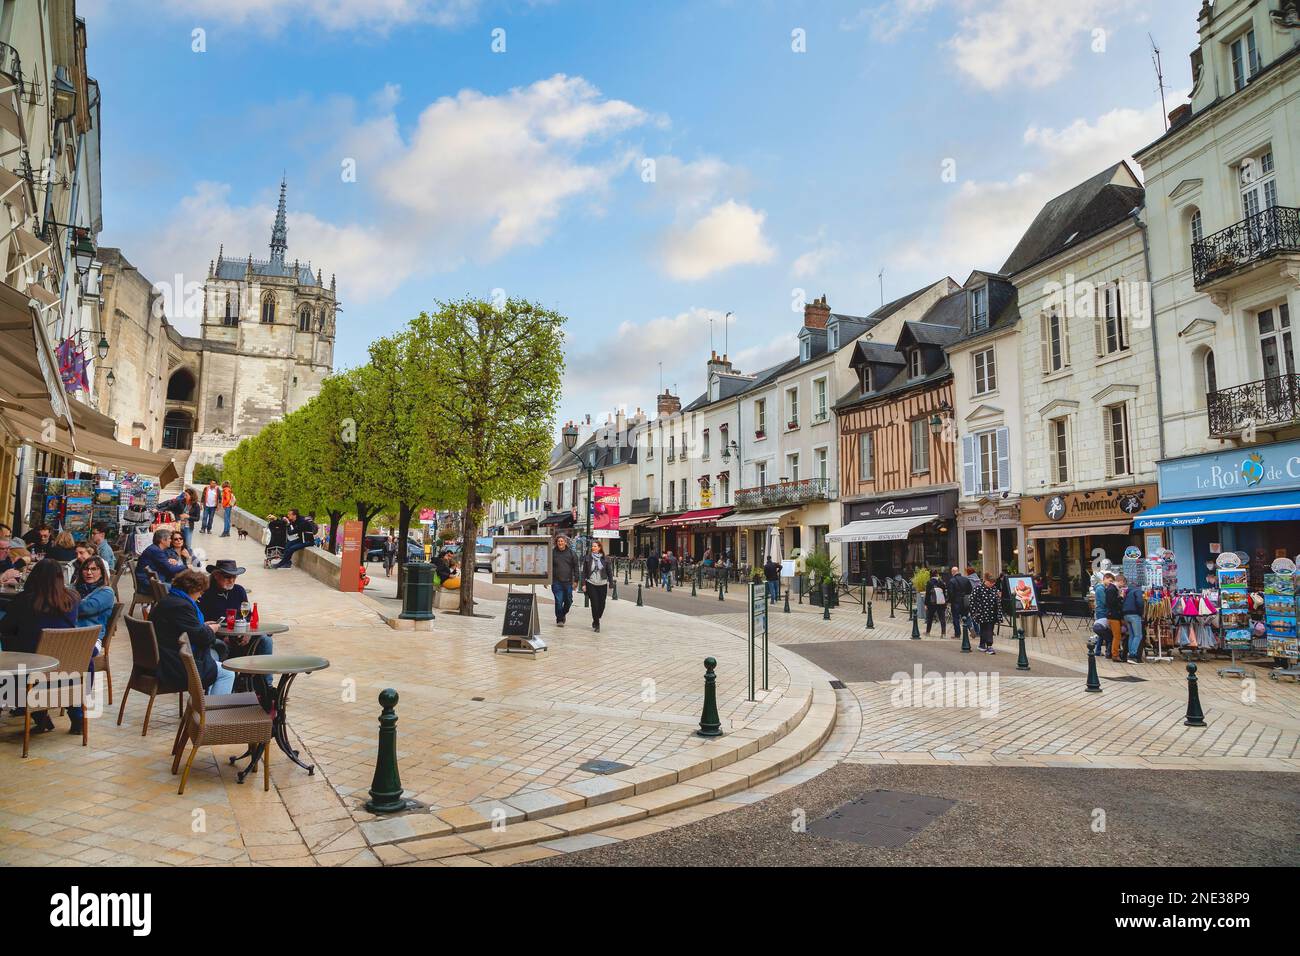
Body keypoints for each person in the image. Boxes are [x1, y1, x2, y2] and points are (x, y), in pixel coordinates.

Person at [0, 559, 81, 733]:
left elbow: (5, 627)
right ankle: (77, 718)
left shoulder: (25, 601)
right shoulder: (72, 599)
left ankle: (40, 717)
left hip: (31, 671)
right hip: (68, 669)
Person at [150, 570, 234, 696]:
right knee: (227, 673)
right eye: (200, 592)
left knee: (216, 657)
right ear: (192, 589)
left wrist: (202, 626)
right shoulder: (181, 606)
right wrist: (212, 629)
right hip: (175, 666)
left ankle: (202, 705)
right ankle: (212, 711)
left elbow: (184, 628)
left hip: (165, 658)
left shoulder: (170, 600)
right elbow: (203, 637)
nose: (200, 596)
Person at [136, 528, 185, 593]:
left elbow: (164, 565)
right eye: (169, 538)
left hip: (150, 581)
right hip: (148, 585)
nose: (171, 541)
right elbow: (170, 569)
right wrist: (186, 566)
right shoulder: (156, 551)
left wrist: (168, 560)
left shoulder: (155, 549)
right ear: (162, 540)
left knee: (180, 585)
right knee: (182, 590)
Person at [582, 539, 611, 632]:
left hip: (602, 583)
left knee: (602, 604)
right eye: (592, 546)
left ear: (599, 548)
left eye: (595, 546)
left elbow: (609, 571)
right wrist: (583, 584)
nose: (593, 548)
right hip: (591, 583)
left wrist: (611, 582)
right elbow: (584, 572)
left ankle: (597, 617)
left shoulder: (605, 559)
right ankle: (597, 623)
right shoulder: (588, 558)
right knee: (594, 604)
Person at [970, 571, 1000, 654]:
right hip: (982, 613)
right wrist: (975, 612)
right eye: (991, 583)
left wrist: (999, 597)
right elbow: (972, 600)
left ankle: (982, 644)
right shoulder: (978, 588)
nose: (992, 585)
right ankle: (989, 646)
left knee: (987, 629)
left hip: (992, 613)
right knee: (987, 629)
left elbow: (997, 600)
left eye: (993, 583)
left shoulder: (994, 588)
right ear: (986, 581)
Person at [551, 535, 577, 627]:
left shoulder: (571, 553)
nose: (560, 543)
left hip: (568, 582)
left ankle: (563, 614)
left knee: (568, 601)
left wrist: (576, 581)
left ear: (565, 542)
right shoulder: (552, 553)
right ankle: (559, 619)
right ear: (556, 543)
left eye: (562, 541)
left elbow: (576, 568)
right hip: (556, 582)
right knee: (558, 601)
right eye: (558, 541)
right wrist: (546, 580)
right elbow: (548, 566)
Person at [1121, 574, 1144, 664]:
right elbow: (1140, 602)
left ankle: (1130, 655)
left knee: (1132, 635)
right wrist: (1141, 612)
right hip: (1134, 615)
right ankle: (1133, 655)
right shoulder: (1137, 591)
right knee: (1138, 635)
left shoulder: (1128, 592)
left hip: (1126, 615)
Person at [944, 565, 972, 640]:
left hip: (956, 602)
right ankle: (970, 627)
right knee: (965, 615)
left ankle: (957, 634)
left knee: (956, 618)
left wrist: (948, 601)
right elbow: (970, 590)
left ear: (953, 572)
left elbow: (950, 593)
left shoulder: (952, 581)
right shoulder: (966, 579)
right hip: (965, 601)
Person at [1105, 572, 1124, 662]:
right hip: (1113, 616)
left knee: (1115, 636)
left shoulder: (1112, 589)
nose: (1123, 586)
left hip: (1113, 615)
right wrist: (1120, 597)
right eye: (1123, 583)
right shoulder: (1112, 589)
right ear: (1120, 581)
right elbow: (1111, 602)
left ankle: (1111, 653)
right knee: (1117, 636)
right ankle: (1115, 655)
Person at [924, 568, 949, 636]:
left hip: (932, 603)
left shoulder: (929, 582)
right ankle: (943, 633)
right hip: (941, 602)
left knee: (930, 618)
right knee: (942, 618)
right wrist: (945, 602)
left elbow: (927, 594)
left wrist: (926, 604)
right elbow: (944, 593)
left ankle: (928, 632)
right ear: (937, 574)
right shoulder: (941, 582)